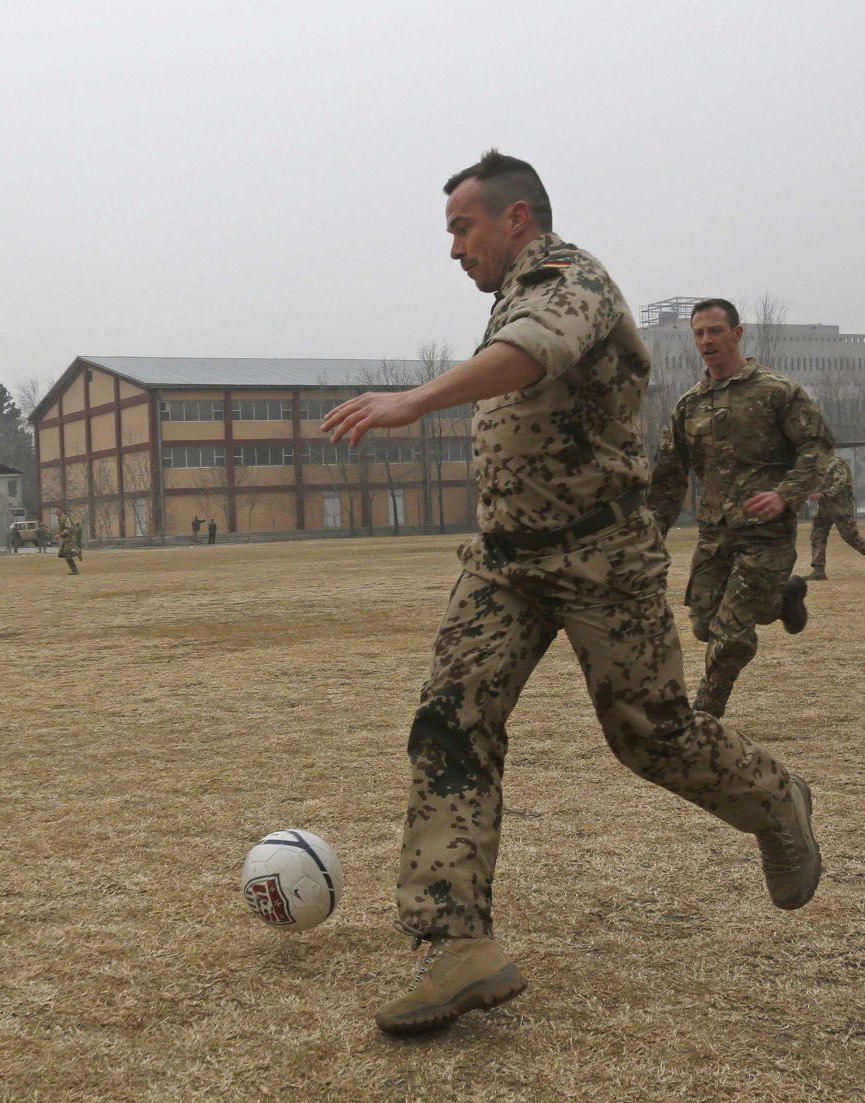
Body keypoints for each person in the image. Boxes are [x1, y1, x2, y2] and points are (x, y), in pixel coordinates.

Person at [322, 151, 820, 1036]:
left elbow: (529, 358)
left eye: (460, 228)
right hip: (506, 564)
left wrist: (413, 401)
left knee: (650, 736)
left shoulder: (568, 279)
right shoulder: (512, 296)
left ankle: (777, 798)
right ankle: (455, 941)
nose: (452, 250)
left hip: (601, 559)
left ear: (517, 220)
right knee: (450, 719)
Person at [647, 298, 832, 717]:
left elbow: (817, 445)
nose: (707, 340)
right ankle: (782, 602)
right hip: (716, 534)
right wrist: (649, 535)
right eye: (699, 333)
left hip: (766, 536)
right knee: (703, 623)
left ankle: (703, 717)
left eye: (715, 331)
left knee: (730, 634)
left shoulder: (777, 391)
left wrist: (786, 493)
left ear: (737, 333)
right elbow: (669, 478)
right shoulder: (688, 406)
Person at [806, 455, 864, 580]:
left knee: (852, 537)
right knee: (817, 536)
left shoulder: (837, 462)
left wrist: (822, 495)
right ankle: (818, 570)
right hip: (824, 509)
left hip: (840, 508)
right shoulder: (817, 465)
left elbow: (840, 483)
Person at [55, 506, 79, 575]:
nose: (55, 512)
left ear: (61, 511)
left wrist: (60, 535)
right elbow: (62, 529)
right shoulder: (59, 519)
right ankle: (76, 552)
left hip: (70, 538)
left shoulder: (65, 518)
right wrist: (58, 534)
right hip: (65, 539)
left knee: (67, 554)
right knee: (61, 554)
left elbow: (68, 529)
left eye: (57, 510)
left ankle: (75, 570)